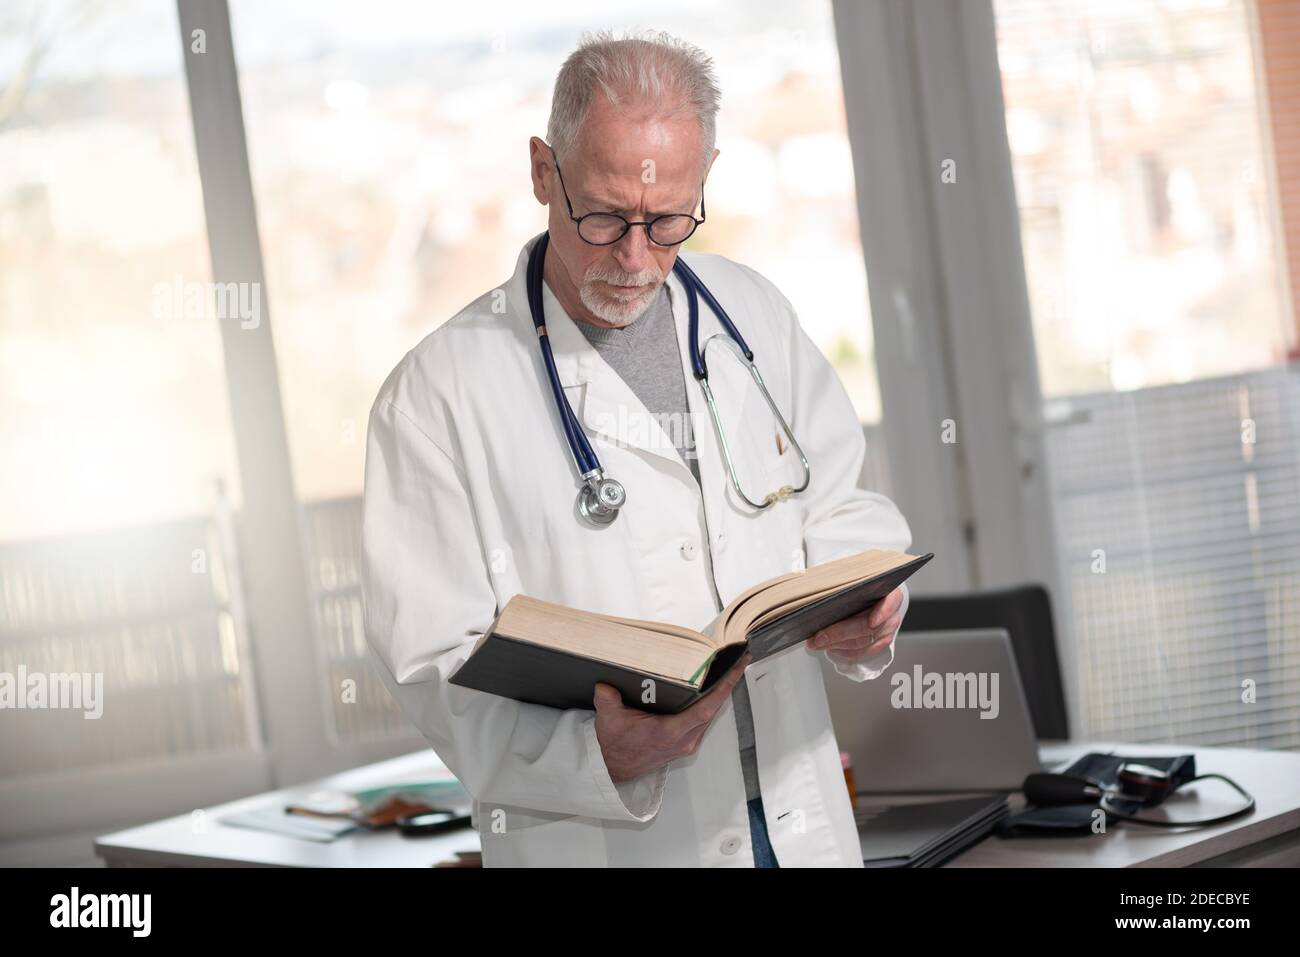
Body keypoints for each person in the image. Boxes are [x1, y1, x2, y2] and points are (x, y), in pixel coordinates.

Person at [361, 30, 912, 867]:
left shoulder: (751, 314)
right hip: (614, 841)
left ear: (706, 178)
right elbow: (431, 669)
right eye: (605, 215)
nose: (634, 256)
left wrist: (864, 612)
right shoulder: (436, 397)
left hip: (800, 824)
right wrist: (595, 756)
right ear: (544, 171)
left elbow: (835, 502)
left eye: (666, 222)